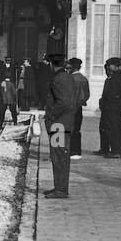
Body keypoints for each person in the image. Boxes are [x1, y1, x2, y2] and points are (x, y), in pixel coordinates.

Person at [44, 53, 79, 199]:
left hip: (58, 124)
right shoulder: (68, 77)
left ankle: (61, 190)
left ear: (52, 64)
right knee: (59, 156)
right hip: (64, 122)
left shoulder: (58, 79)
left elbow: (63, 102)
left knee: (58, 156)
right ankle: (59, 187)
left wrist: (51, 114)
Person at [95, 57, 121, 158]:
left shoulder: (120, 78)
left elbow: (117, 95)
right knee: (104, 128)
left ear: (116, 66)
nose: (109, 68)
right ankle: (104, 149)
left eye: (110, 65)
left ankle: (117, 151)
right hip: (108, 107)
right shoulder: (112, 78)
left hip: (114, 107)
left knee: (114, 129)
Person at [67, 57, 90, 160]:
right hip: (79, 107)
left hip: (69, 107)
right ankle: (76, 152)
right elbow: (87, 95)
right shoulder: (84, 79)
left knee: (68, 128)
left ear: (71, 67)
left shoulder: (69, 79)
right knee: (77, 129)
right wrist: (81, 101)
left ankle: (69, 151)